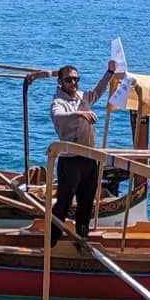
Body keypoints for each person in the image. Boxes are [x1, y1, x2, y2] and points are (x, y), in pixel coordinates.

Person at [49, 60, 116, 245]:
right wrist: (79, 113)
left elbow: (98, 91)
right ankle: (51, 242)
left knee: (86, 203)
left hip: (89, 159)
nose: (73, 84)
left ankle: (81, 241)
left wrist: (110, 72)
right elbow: (57, 116)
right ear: (61, 82)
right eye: (68, 80)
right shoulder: (58, 101)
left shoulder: (83, 97)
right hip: (70, 160)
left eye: (76, 80)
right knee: (64, 202)